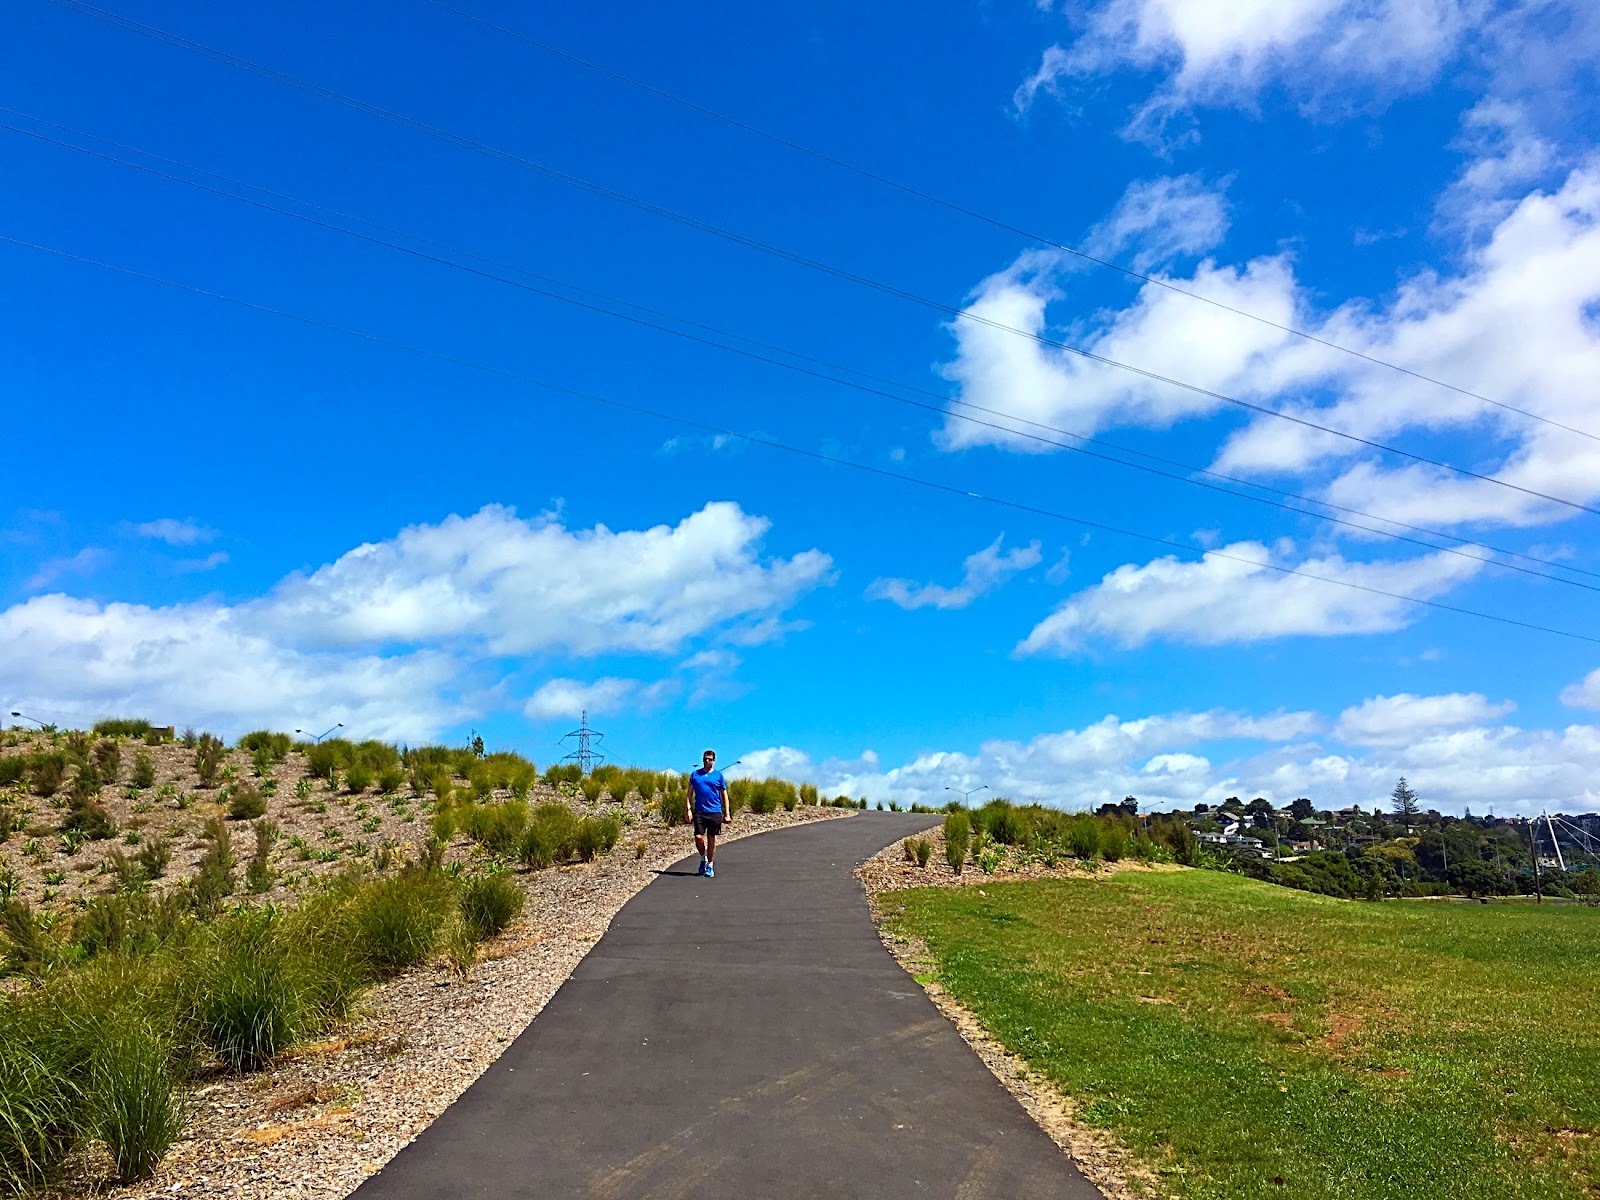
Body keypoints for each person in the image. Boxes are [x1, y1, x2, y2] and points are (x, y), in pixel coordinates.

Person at [686, 749, 730, 877]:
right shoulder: (695, 775)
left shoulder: (718, 776)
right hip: (700, 811)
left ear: (713, 761)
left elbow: (724, 795)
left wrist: (727, 814)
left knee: (711, 839)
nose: (707, 761)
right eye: (705, 759)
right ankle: (702, 858)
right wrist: (688, 809)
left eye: (709, 759)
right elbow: (689, 794)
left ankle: (710, 865)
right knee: (698, 837)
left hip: (714, 811)